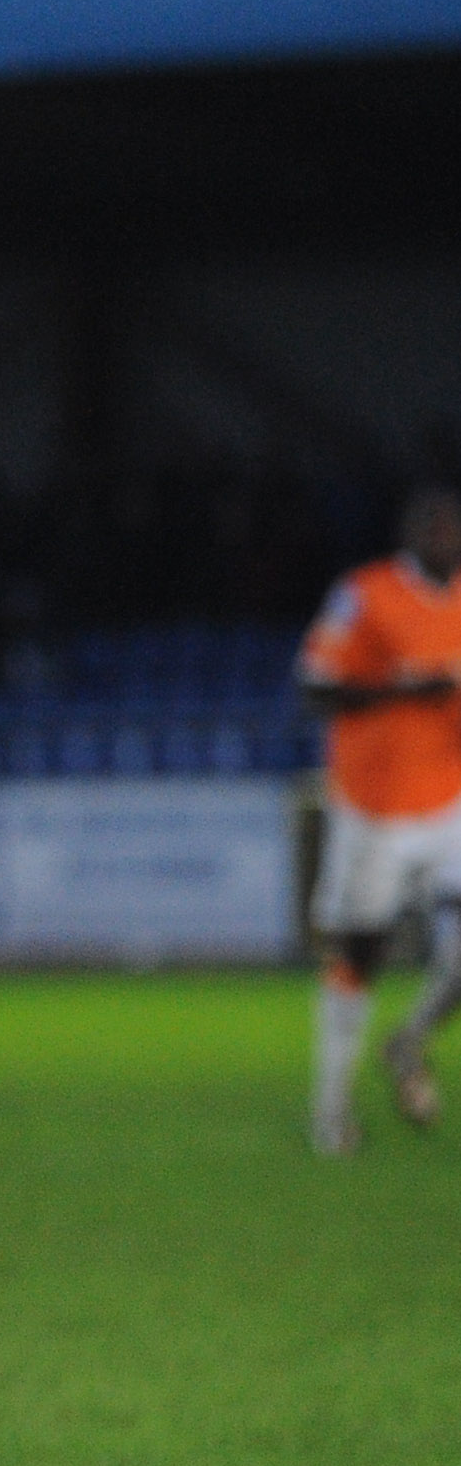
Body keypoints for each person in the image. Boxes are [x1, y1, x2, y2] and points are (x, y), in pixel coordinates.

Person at [299, 484, 461, 1153]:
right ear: (409, 534)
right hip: (374, 810)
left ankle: (409, 1040)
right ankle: (330, 1111)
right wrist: (402, 687)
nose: (442, 537)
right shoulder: (364, 595)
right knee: (362, 955)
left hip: (450, 802)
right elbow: (315, 690)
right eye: (431, 526)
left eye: (451, 527)